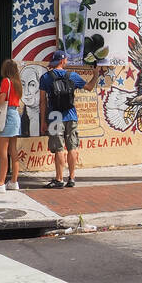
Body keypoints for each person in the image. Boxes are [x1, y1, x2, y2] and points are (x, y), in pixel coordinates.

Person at [40, 50, 99, 188]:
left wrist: (43, 121)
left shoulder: (45, 78)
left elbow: (42, 101)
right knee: (72, 146)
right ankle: (71, 178)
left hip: (55, 116)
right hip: (71, 115)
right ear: (62, 61)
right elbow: (89, 87)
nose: (66, 60)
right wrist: (95, 74)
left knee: (59, 148)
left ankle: (59, 179)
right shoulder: (72, 76)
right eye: (65, 59)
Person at [0, 58, 23, 193]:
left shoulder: (6, 81)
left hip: (7, 115)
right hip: (15, 115)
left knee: (2, 152)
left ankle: (0, 184)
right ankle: (14, 181)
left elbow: (1, 99)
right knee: (13, 151)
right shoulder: (17, 83)